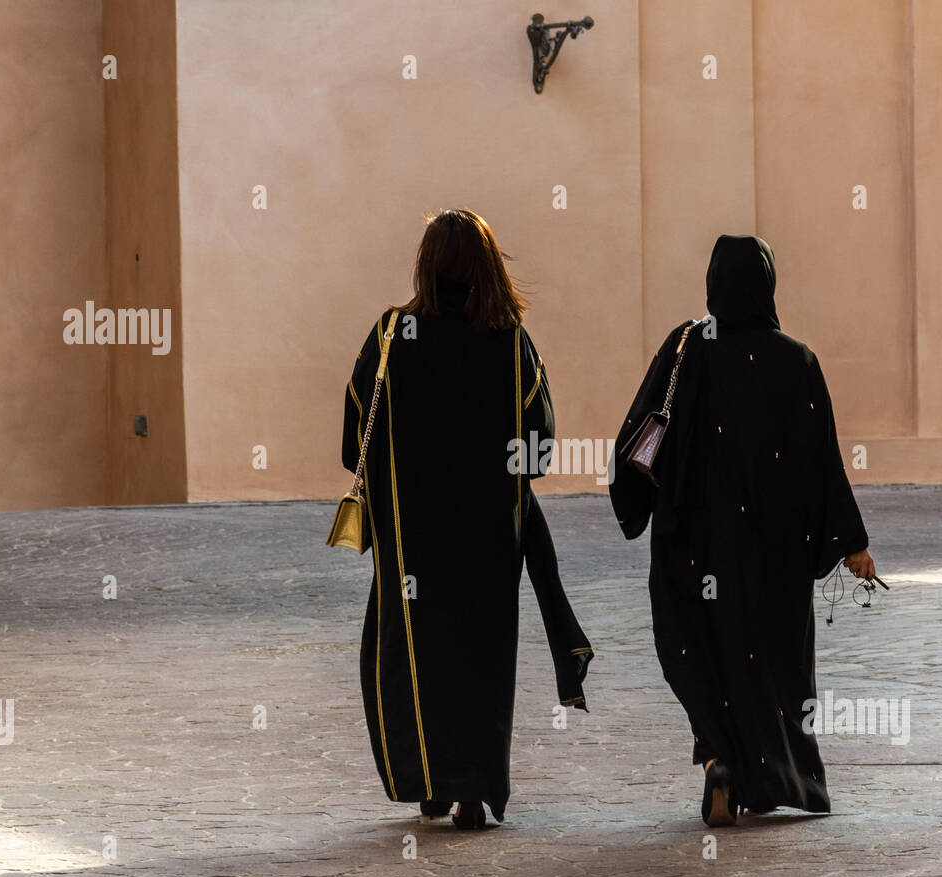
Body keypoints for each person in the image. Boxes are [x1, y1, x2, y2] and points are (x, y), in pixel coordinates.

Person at [610, 234, 875, 827]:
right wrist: (850, 541)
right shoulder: (797, 361)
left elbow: (637, 435)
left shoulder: (685, 348)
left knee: (699, 652)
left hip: (692, 548)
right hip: (773, 554)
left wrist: (642, 503)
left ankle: (715, 761)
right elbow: (821, 461)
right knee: (771, 661)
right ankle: (781, 778)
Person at [343, 208, 591, 829]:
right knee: (479, 658)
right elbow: (539, 444)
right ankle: (474, 789)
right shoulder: (510, 343)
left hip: (412, 539)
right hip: (487, 538)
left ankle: (427, 777)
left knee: (414, 656)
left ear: (425, 264)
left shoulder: (390, 336)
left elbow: (354, 441)